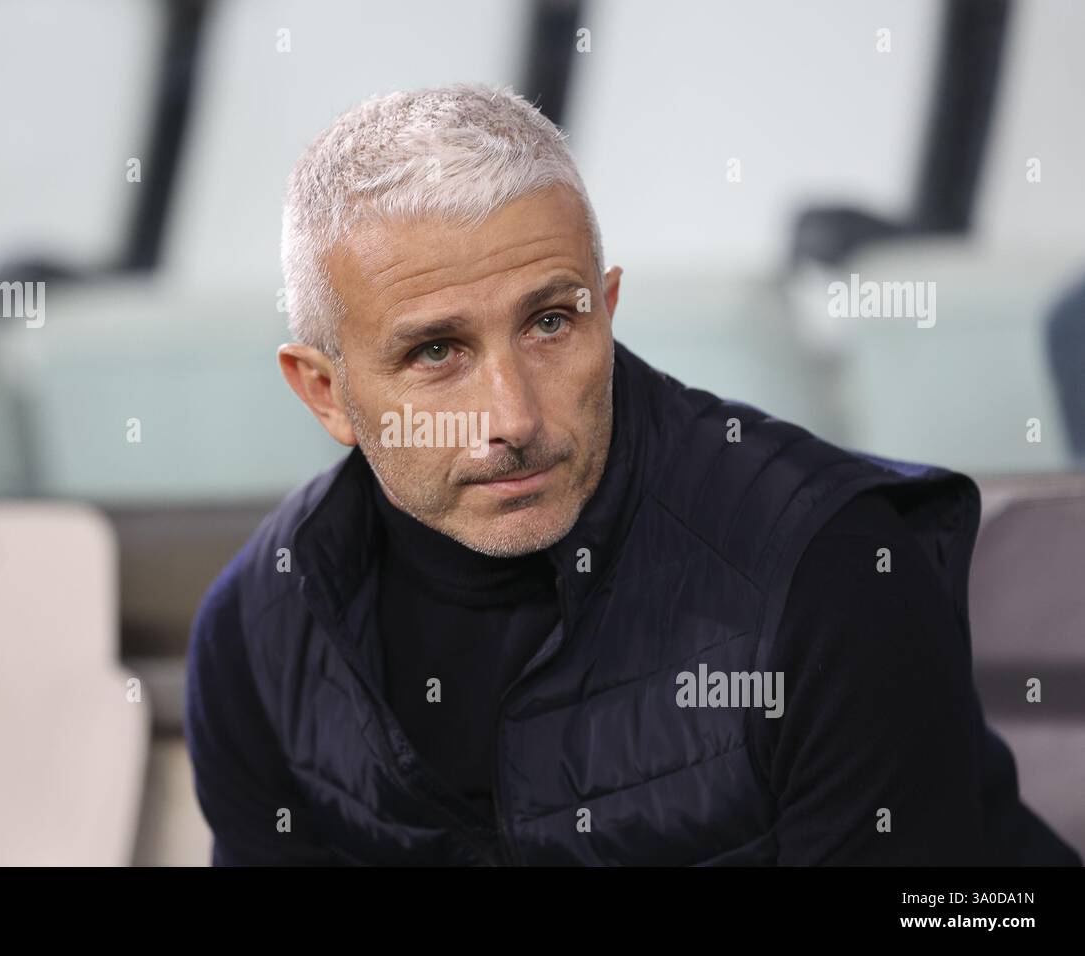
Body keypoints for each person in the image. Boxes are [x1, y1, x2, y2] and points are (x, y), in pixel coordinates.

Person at [184, 83, 1081, 866]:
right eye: (437, 352)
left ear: (606, 312)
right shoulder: (261, 627)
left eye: (550, 324)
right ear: (326, 392)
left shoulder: (830, 569)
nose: (515, 420)